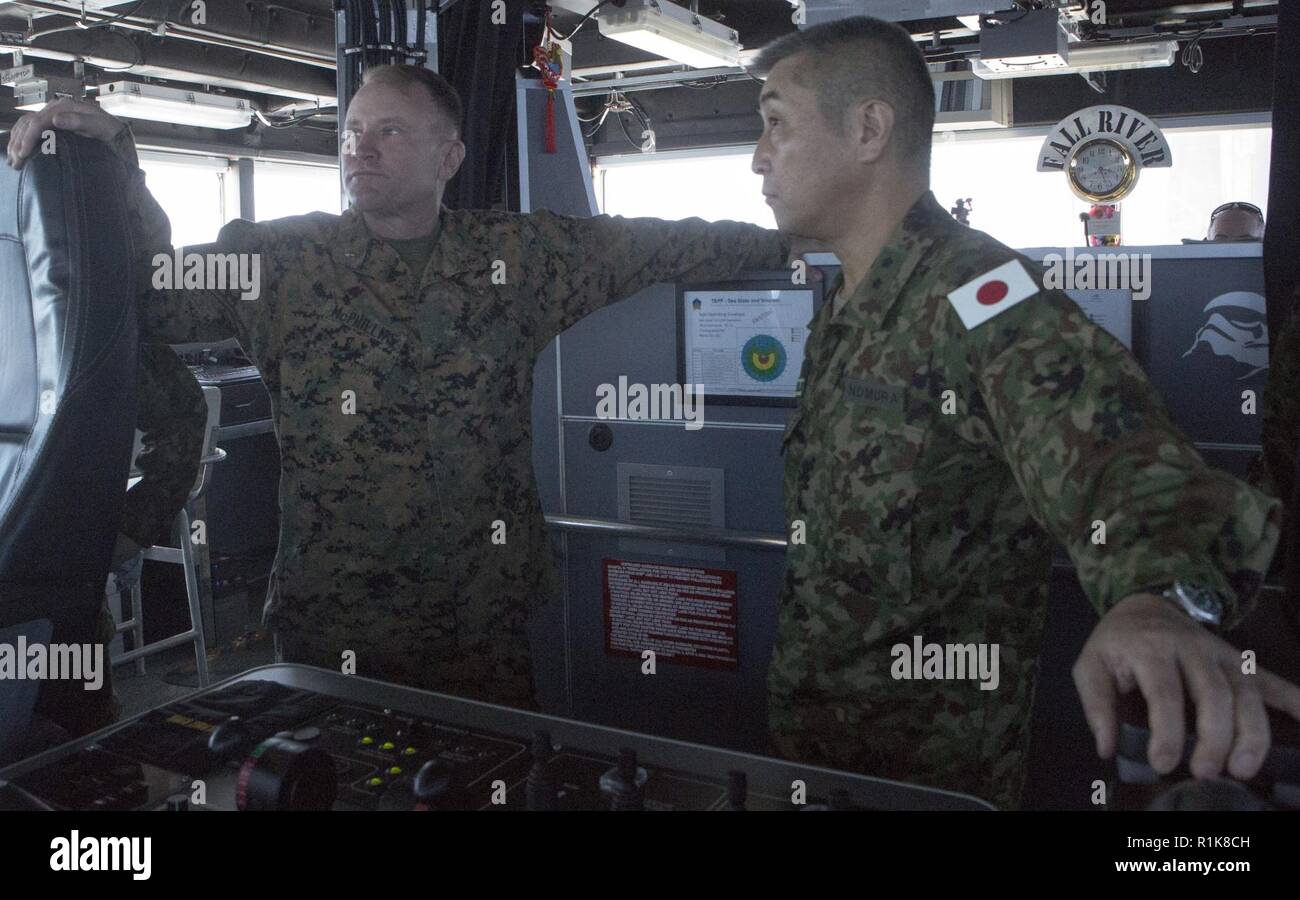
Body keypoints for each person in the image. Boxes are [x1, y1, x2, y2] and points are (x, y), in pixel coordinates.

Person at [7, 65, 792, 709]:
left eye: (388, 132)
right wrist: (116, 159)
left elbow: (664, 247)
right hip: (338, 618)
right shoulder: (277, 262)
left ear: (448, 157)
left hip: (481, 621)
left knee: (484, 786)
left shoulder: (522, 259)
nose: (360, 149)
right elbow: (148, 295)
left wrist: (809, 233)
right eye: (351, 132)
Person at [749, 16, 1299, 809]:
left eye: (775, 123)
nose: (758, 156)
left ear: (869, 129)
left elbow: (1128, 462)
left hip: (930, 775)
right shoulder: (849, 300)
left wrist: (1155, 599)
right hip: (822, 748)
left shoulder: (980, 293)